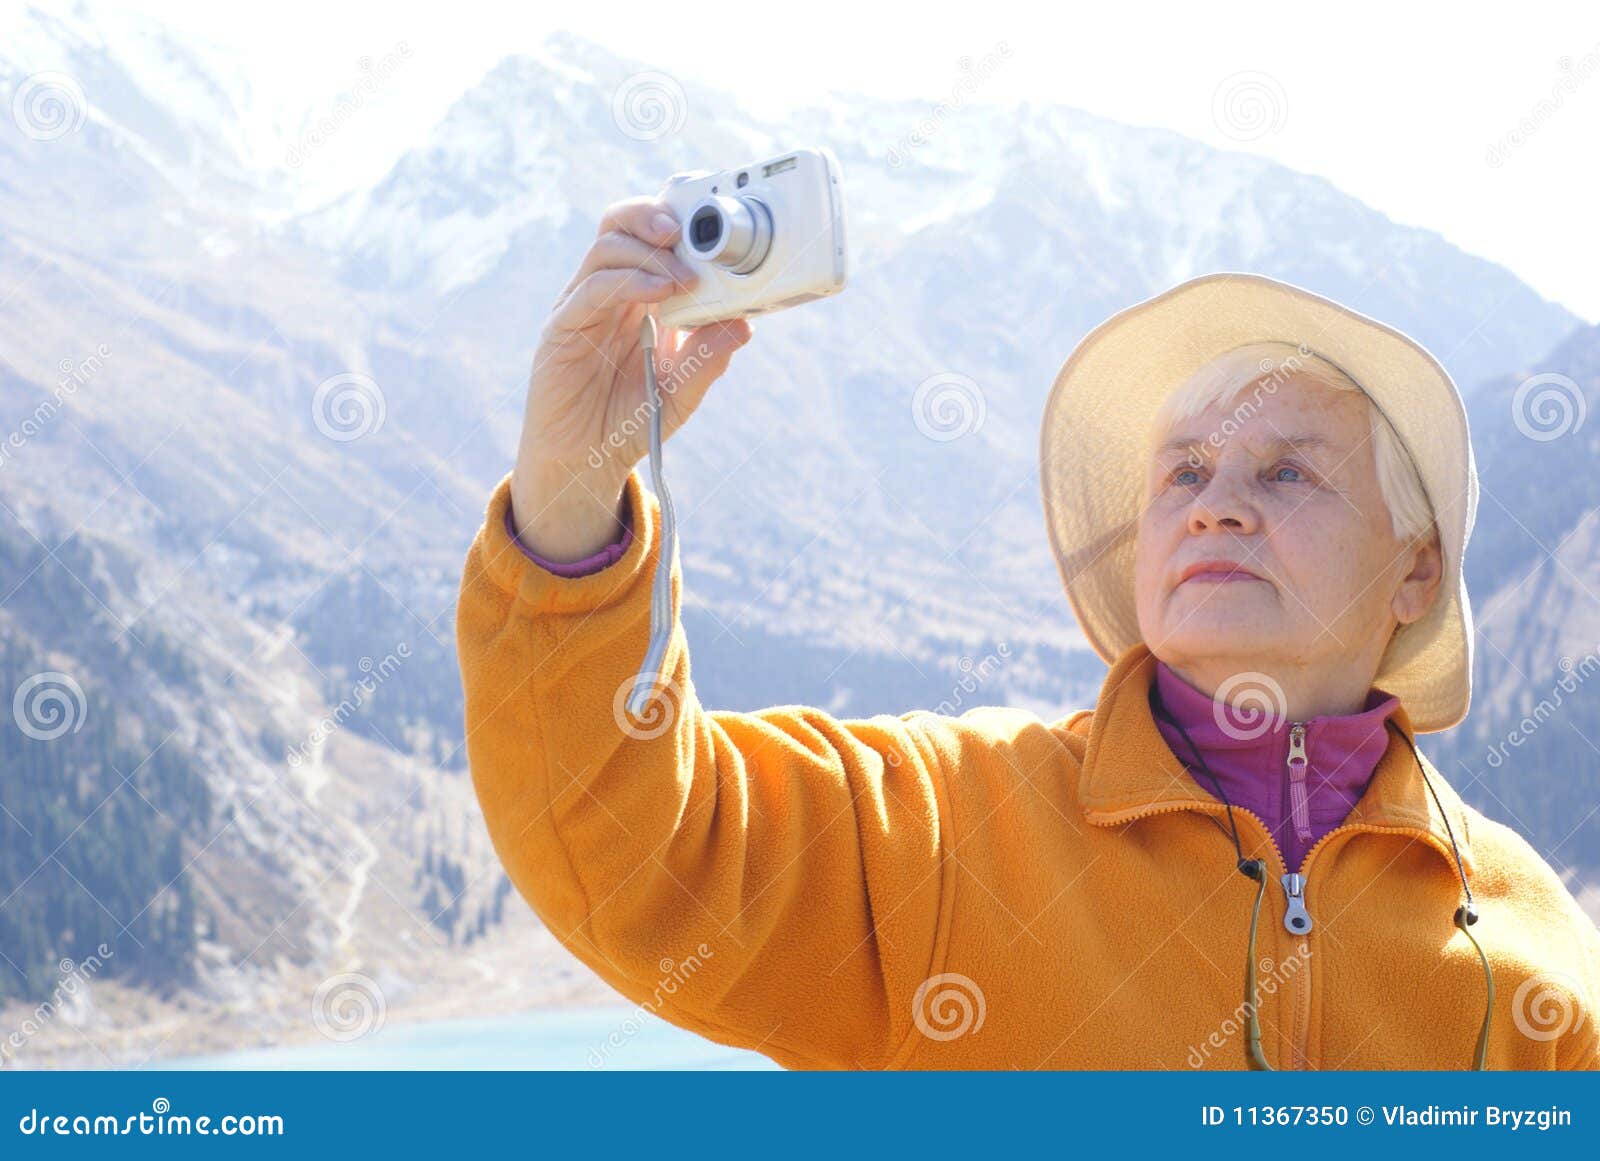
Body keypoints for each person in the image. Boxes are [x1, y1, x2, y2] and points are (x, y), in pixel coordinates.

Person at [454, 193, 1600, 1070]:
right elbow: (627, 848)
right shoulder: (942, 829)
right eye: (1184, 472)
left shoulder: (1539, 953)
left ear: (1416, 572)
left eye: (1288, 471)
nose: (1215, 502)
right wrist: (569, 493)